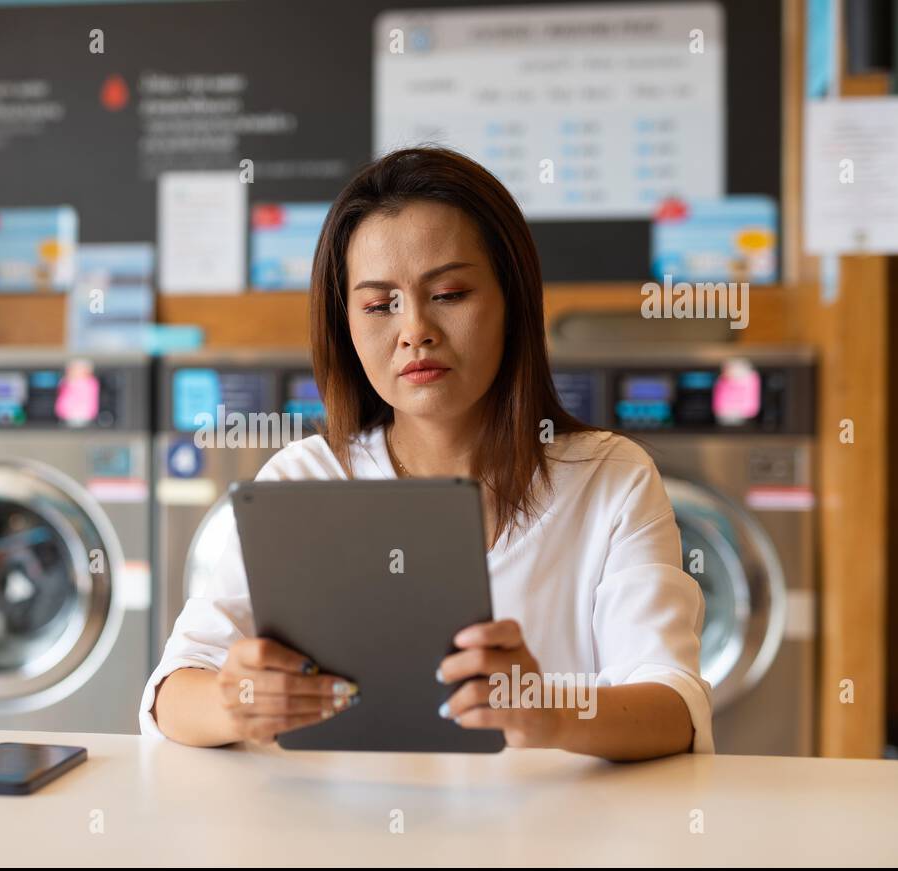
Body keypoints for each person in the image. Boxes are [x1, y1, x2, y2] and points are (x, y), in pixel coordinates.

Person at [141, 147, 712, 761]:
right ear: (347, 325)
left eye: (449, 293)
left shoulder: (611, 479)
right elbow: (171, 694)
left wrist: (545, 710)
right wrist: (236, 702)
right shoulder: (305, 479)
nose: (415, 329)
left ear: (512, 302)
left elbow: (674, 708)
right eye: (379, 304)